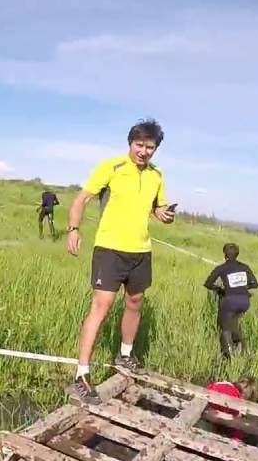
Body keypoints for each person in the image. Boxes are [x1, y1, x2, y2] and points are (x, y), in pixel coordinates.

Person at [64, 119, 175, 404]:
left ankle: (125, 355)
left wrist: (163, 214)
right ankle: (81, 374)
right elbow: (81, 200)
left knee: (135, 302)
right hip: (110, 249)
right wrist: (74, 230)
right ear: (130, 143)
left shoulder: (156, 175)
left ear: (155, 149)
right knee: (101, 307)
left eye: (150, 147)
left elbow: (156, 208)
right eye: (139, 145)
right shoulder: (111, 167)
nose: (144, 151)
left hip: (141, 251)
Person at [203, 242, 258, 357]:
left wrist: (220, 289)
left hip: (230, 301)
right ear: (237, 254)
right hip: (245, 301)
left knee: (224, 328)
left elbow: (208, 284)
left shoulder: (222, 268)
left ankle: (229, 358)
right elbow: (254, 284)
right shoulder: (245, 267)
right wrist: (242, 288)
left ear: (225, 255)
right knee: (235, 325)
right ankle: (244, 351)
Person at [205, 378, 256, 443]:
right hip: (214, 421)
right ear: (245, 395)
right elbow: (235, 420)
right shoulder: (236, 398)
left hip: (204, 414)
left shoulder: (219, 384)